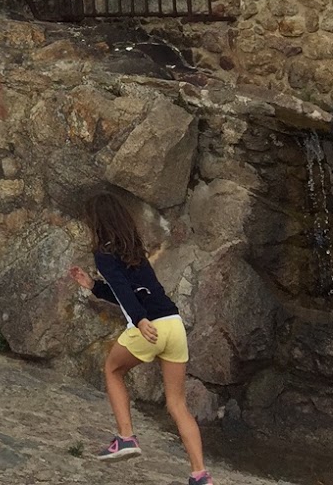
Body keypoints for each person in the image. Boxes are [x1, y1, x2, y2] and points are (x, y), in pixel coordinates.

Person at [68, 190, 210, 483]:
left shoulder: (103, 254)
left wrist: (141, 319)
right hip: (173, 324)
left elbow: (123, 291)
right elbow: (133, 290)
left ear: (96, 223)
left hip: (150, 326)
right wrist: (93, 286)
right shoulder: (134, 249)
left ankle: (126, 437)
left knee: (112, 369)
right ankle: (200, 475)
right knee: (177, 404)